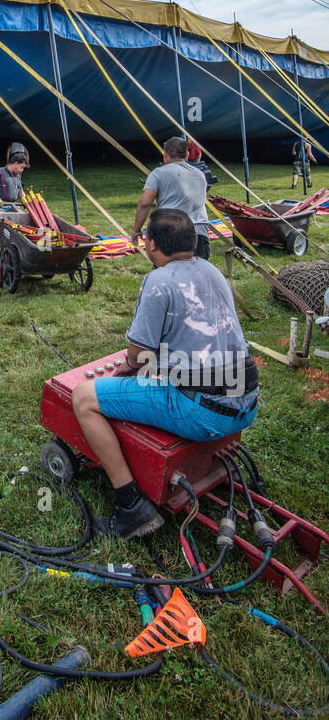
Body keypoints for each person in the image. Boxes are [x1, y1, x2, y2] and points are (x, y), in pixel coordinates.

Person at [72, 209, 259, 540]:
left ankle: (131, 507)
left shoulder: (157, 281)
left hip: (205, 412)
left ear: (151, 243)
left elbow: (138, 354)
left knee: (84, 398)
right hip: (246, 402)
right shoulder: (212, 271)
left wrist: (126, 370)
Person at [133, 135, 211, 260]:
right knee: (197, 274)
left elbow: (145, 203)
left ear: (165, 154)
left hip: (170, 231)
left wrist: (136, 230)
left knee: (167, 275)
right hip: (199, 232)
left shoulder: (158, 174)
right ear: (187, 155)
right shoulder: (199, 174)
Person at [0, 143, 29, 242]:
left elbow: (20, 190)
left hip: (14, 206)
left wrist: (26, 201)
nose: (22, 170)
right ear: (15, 163)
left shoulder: (17, 175)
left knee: (18, 228)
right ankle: (3, 247)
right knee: (2, 228)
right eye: (21, 167)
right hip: (2, 206)